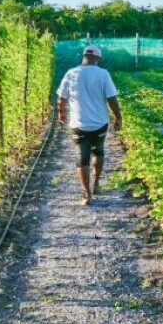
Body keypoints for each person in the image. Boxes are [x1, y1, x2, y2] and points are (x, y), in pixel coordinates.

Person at [57, 45, 122, 205]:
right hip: (100, 123)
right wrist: (118, 118)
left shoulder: (71, 73)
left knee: (82, 158)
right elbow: (112, 99)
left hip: (78, 124)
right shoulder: (103, 74)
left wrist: (62, 113)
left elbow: (61, 98)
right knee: (98, 151)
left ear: (83, 57)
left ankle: (87, 194)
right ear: (98, 59)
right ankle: (97, 184)